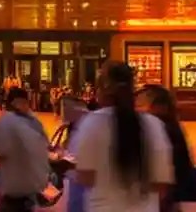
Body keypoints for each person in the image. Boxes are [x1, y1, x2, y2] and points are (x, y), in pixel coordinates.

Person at [70, 62, 174, 212]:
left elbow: (85, 176)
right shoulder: (153, 125)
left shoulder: (92, 123)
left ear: (102, 90)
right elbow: (161, 183)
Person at [0, 86, 53, 212]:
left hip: (14, 188)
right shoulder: (34, 121)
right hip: (33, 186)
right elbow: (45, 144)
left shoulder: (3, 122)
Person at [139, 84, 196, 212]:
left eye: (141, 105)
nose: (138, 109)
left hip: (163, 194)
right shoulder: (170, 126)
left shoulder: (160, 128)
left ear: (157, 106)